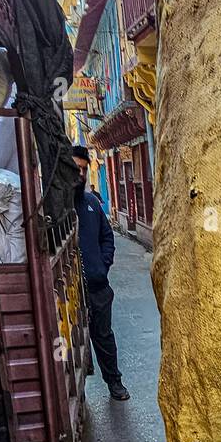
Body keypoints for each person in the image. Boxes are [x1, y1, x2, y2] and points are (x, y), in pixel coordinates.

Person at [72, 145, 130, 402]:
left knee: (103, 337)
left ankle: (114, 383)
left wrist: (102, 265)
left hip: (97, 288)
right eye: (75, 168)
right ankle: (75, 392)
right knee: (69, 346)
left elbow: (107, 238)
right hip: (69, 294)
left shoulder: (92, 204)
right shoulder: (56, 208)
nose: (79, 174)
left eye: (83, 169)